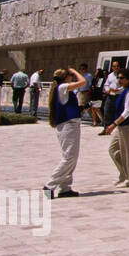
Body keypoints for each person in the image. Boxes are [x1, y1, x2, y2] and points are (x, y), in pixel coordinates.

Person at [43, 67, 87, 199]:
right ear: (65, 77)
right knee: (69, 158)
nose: (72, 77)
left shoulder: (62, 89)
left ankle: (65, 188)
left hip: (70, 124)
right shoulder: (62, 87)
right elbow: (83, 82)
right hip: (68, 126)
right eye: (70, 75)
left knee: (71, 158)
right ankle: (49, 185)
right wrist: (75, 71)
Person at [102, 69, 129, 187]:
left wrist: (114, 124)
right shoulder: (122, 90)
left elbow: (128, 110)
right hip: (121, 125)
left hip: (127, 125)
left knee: (127, 152)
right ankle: (124, 174)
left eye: (122, 78)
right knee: (113, 150)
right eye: (118, 78)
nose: (119, 80)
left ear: (128, 79)